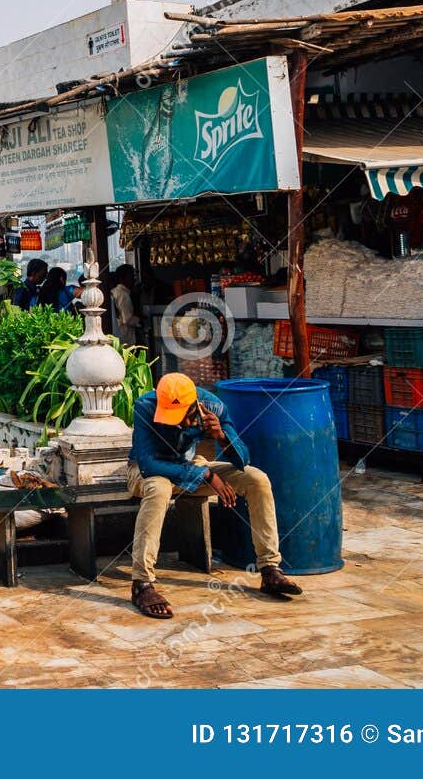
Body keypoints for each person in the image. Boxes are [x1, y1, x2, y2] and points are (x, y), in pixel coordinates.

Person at [128, 373, 302, 620]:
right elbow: (147, 464)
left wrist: (222, 436)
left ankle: (270, 568)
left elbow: (243, 459)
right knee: (159, 489)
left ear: (195, 405)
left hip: (191, 467)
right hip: (148, 473)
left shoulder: (213, 406)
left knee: (257, 480)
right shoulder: (146, 406)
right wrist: (206, 475)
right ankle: (142, 584)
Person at [111, 264, 142, 347]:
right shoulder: (123, 294)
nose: (134, 279)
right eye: (131, 276)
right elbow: (127, 320)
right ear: (122, 278)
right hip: (125, 339)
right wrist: (139, 318)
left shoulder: (116, 291)